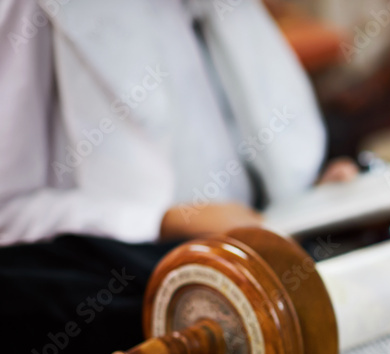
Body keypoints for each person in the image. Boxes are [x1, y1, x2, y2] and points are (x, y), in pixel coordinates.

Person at [0, 0, 353, 246]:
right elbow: (9, 213)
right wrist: (163, 222)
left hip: (261, 255)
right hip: (142, 287)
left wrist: (306, 194)